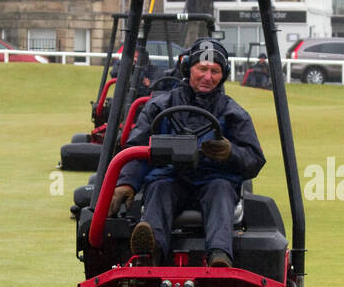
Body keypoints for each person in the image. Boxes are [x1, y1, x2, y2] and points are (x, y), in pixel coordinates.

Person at [109, 37, 265, 268]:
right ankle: (149, 254)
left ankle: (219, 257)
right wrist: (126, 183)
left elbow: (254, 158)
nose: (208, 77)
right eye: (202, 69)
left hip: (214, 180)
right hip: (169, 178)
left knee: (221, 190)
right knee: (159, 189)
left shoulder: (233, 113)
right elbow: (136, 149)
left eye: (215, 71)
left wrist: (230, 153)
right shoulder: (160, 106)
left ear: (223, 74)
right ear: (187, 68)